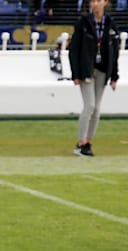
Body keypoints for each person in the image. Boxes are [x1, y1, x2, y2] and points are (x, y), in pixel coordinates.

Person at [70, 0, 119, 157]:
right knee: (89, 105)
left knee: (97, 109)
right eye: (93, 1)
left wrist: (114, 76)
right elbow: (74, 49)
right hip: (87, 70)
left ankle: (88, 141)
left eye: (99, 0)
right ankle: (81, 142)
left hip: (102, 70)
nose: (95, 4)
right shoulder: (83, 23)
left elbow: (114, 52)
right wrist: (75, 74)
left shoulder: (110, 23)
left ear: (106, 3)